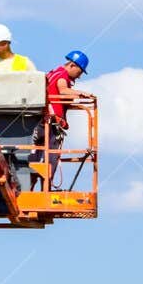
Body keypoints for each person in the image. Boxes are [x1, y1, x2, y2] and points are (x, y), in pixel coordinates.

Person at [39, 50, 92, 187]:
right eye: (79, 72)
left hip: (42, 122)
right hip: (52, 123)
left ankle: (36, 187)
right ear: (73, 65)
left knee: (38, 157)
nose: (79, 77)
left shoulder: (52, 73)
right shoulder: (62, 76)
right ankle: (46, 189)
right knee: (50, 159)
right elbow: (63, 90)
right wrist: (80, 93)